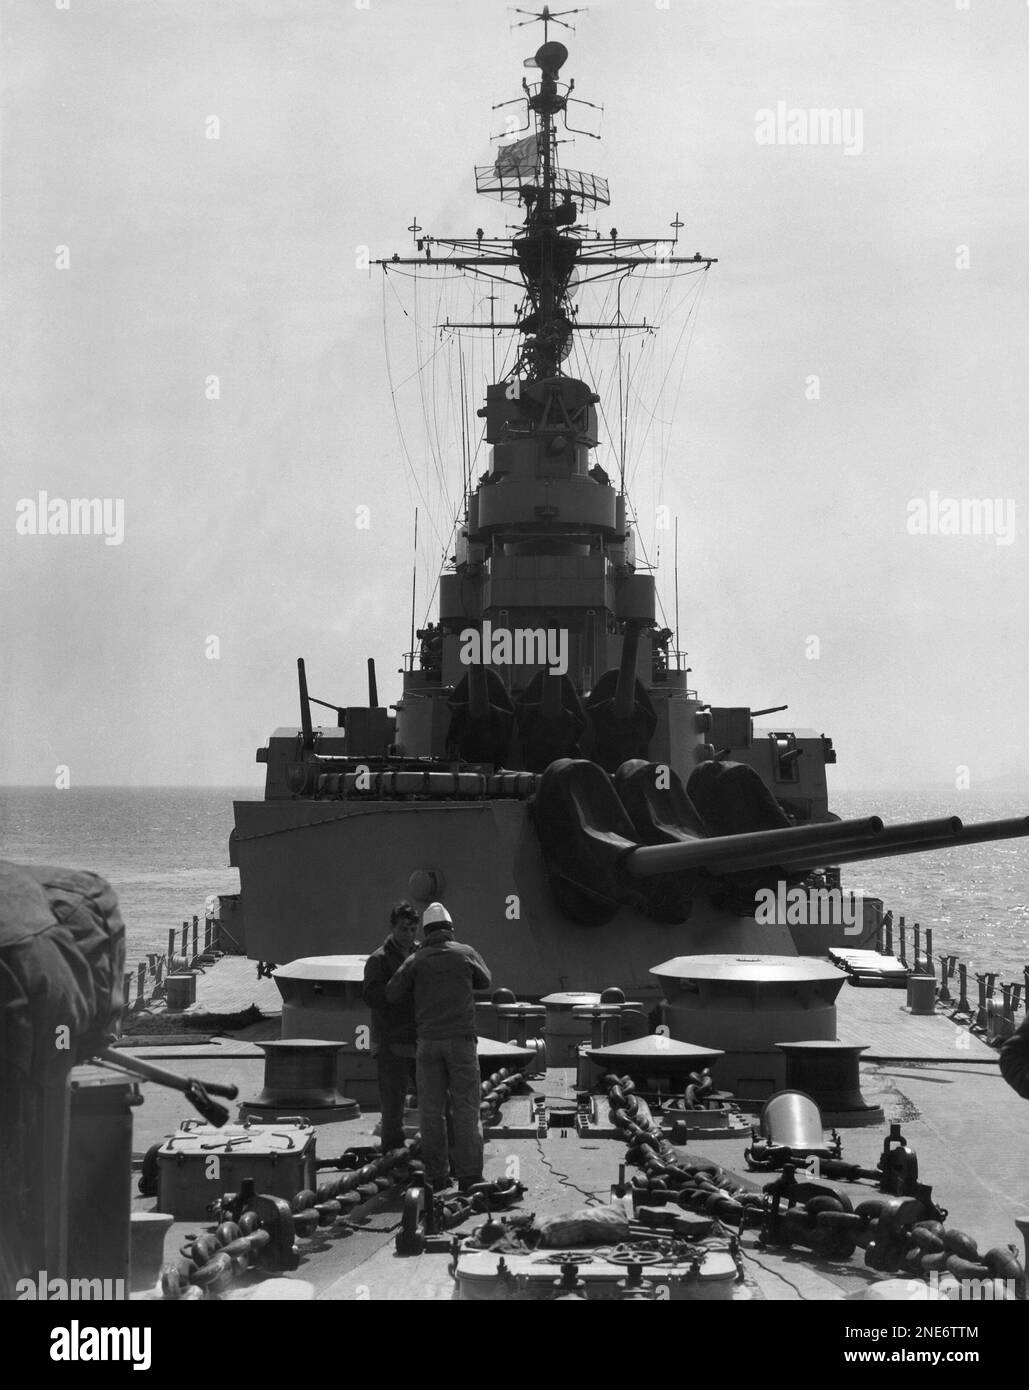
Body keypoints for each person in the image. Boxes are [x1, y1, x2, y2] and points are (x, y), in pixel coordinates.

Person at [386, 902, 491, 1192]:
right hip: (460, 1043)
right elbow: (485, 980)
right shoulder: (465, 953)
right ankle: (469, 1176)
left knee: (431, 1112)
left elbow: (393, 992)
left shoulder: (417, 959)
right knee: (467, 1108)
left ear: (426, 931)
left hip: (428, 1044)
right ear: (450, 930)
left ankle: (437, 1176)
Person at [361, 900, 419, 1152]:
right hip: (390, 1041)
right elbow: (372, 996)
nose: (409, 934)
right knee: (393, 1107)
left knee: (433, 1099)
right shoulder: (379, 960)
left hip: (417, 1040)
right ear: (392, 927)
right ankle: (392, 1156)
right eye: (404, 929)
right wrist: (400, 990)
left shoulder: (418, 953)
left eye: (413, 929)